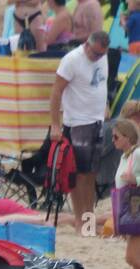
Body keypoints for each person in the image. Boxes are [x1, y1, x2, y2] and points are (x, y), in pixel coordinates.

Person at [49, 31, 109, 233]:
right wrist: (55, 125)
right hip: (77, 122)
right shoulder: (72, 59)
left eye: (101, 54)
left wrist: (106, 104)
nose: (97, 57)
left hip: (97, 120)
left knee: (92, 174)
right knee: (79, 173)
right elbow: (56, 91)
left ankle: (88, 220)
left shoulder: (103, 57)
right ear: (87, 44)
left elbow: (102, 81)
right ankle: (79, 221)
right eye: (95, 54)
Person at [115, 120, 140, 269]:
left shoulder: (137, 154)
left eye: (116, 137)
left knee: (132, 257)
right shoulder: (125, 157)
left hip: (135, 206)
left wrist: (135, 180)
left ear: (127, 137)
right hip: (128, 208)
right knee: (133, 259)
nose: (113, 141)